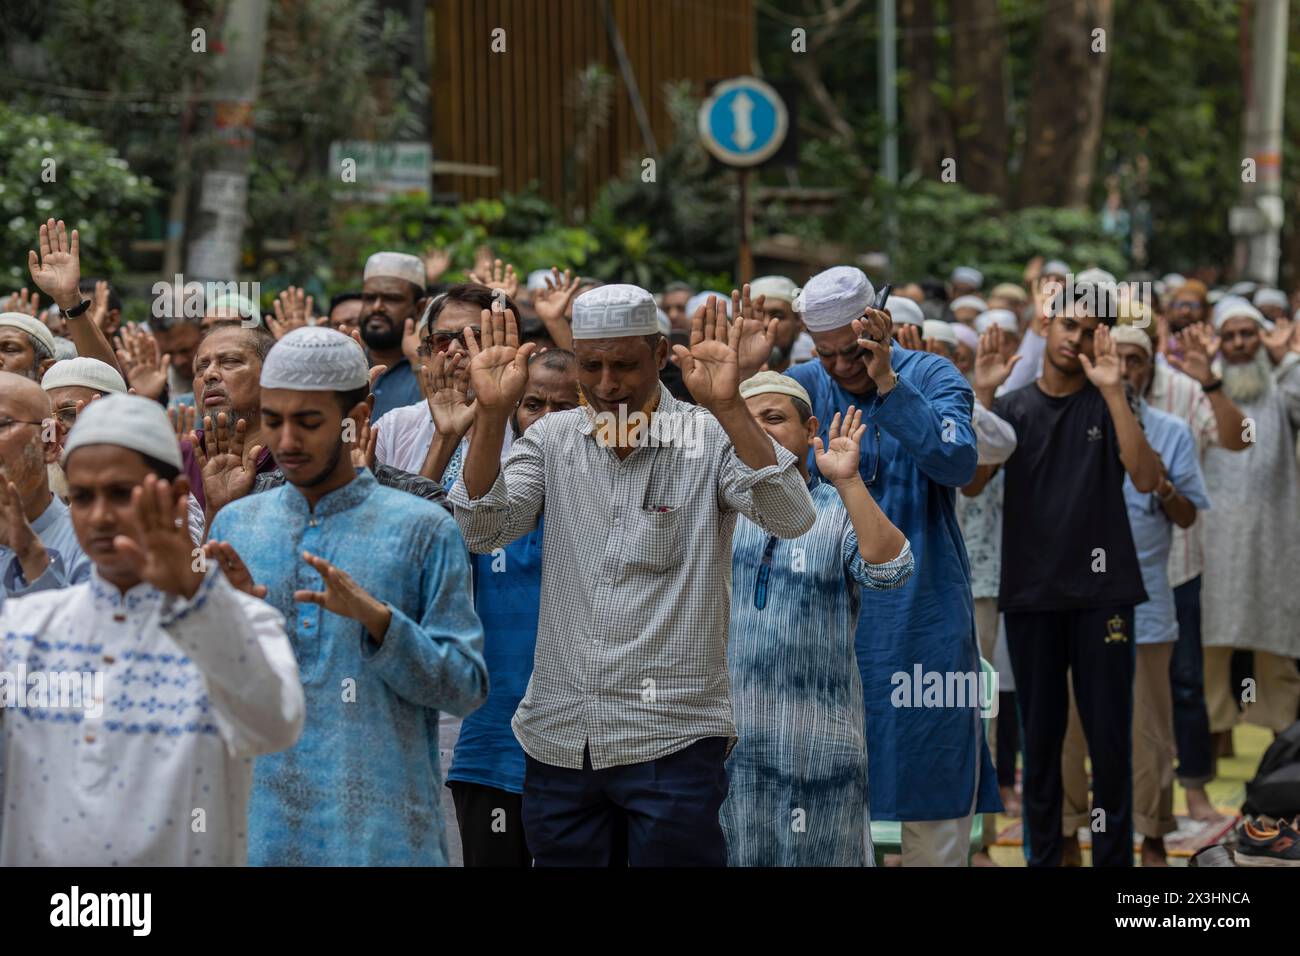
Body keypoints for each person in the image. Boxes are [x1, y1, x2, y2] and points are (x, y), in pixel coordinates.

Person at [449, 288, 816, 866]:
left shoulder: (709, 435)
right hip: (561, 738)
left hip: (672, 739)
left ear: (660, 354)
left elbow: (792, 517)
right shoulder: (551, 438)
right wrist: (492, 416)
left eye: (624, 365)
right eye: (591, 365)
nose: (607, 383)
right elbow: (482, 530)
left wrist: (729, 408)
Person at [207, 327, 486, 865]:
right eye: (274, 420)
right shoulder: (238, 523)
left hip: (384, 838)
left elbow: (465, 687)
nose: (286, 441)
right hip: (264, 834)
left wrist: (380, 622)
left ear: (356, 419)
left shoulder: (424, 528)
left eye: (308, 422)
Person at [0, 393, 304, 865]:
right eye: (83, 496)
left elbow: (275, 724)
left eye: (121, 493)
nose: (100, 515)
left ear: (176, 496)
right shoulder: (23, 626)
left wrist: (195, 596)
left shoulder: (239, 620)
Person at [779, 266, 1001, 866]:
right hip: (826, 621)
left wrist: (889, 385)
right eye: (826, 355)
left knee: (933, 784)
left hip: (922, 614)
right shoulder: (799, 385)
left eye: (853, 352)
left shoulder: (931, 374)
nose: (840, 367)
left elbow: (957, 464)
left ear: (878, 329)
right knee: (829, 793)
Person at [969, 280, 1162, 867]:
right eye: (1065, 325)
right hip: (1032, 596)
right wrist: (980, 393)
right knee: (1042, 744)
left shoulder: (1111, 398)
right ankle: (1046, 857)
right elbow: (971, 482)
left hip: (1105, 596)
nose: (1073, 338)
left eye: (1086, 329)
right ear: (1044, 325)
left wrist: (1112, 395)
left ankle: (1114, 864)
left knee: (1110, 742)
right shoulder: (1013, 407)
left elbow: (1147, 477)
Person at [722, 375, 913, 866]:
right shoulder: (715, 510)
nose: (761, 432)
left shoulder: (835, 508)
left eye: (775, 419)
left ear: (810, 429)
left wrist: (847, 481)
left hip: (821, 745)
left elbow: (891, 569)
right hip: (727, 749)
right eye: (748, 421)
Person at [1058, 324, 1211, 867]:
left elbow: (1189, 513)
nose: (1124, 369)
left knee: (1148, 730)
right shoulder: (1068, 419)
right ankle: (1069, 834)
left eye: (1136, 361)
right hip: (1073, 602)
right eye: (1114, 358)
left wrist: (1164, 486)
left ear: (1150, 370)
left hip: (1147, 601)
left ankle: (1150, 836)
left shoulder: (1170, 430)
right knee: (1070, 728)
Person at [444, 348, 580, 867]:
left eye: (565, 408)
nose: (547, 420)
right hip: (493, 744)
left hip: (587, 749)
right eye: (533, 404)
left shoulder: (615, 502)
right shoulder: (487, 501)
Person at [1133, 309, 1250, 821]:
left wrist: (1212, 382)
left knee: (1185, 681)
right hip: (1111, 569)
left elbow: (1239, 438)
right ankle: (1122, 800)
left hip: (1179, 563)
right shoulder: (1095, 393)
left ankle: (1195, 792)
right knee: (1110, 687)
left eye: (1140, 355)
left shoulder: (1185, 389)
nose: (1130, 368)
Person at [1199, 301, 1300, 742]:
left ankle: (1278, 734)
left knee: (1274, 632)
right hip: (1211, 531)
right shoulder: (1201, 388)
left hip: (1273, 531)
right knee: (1210, 634)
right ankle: (1214, 731)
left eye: (1248, 334)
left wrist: (1287, 356)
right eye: (1231, 336)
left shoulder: (1281, 387)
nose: (1240, 344)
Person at [0, 371, 91, 604]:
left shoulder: (94, 542)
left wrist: (31, 556)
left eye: (1, 424)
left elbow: (89, 634)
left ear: (49, 443)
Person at [182, 324, 279, 523]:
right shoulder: (181, 457)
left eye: (230, 361)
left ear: (271, 375)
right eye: (201, 367)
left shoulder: (293, 453)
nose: (209, 374)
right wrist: (216, 511)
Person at [359, 252, 428, 420]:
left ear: (419, 309)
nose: (377, 307)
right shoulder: (347, 364)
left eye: (392, 299)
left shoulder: (432, 367)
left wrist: (418, 363)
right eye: (369, 298)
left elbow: (437, 426)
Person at [748, 276, 804, 372]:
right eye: (758, 316)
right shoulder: (729, 382)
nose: (766, 324)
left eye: (778, 316)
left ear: (799, 325)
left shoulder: (811, 383)